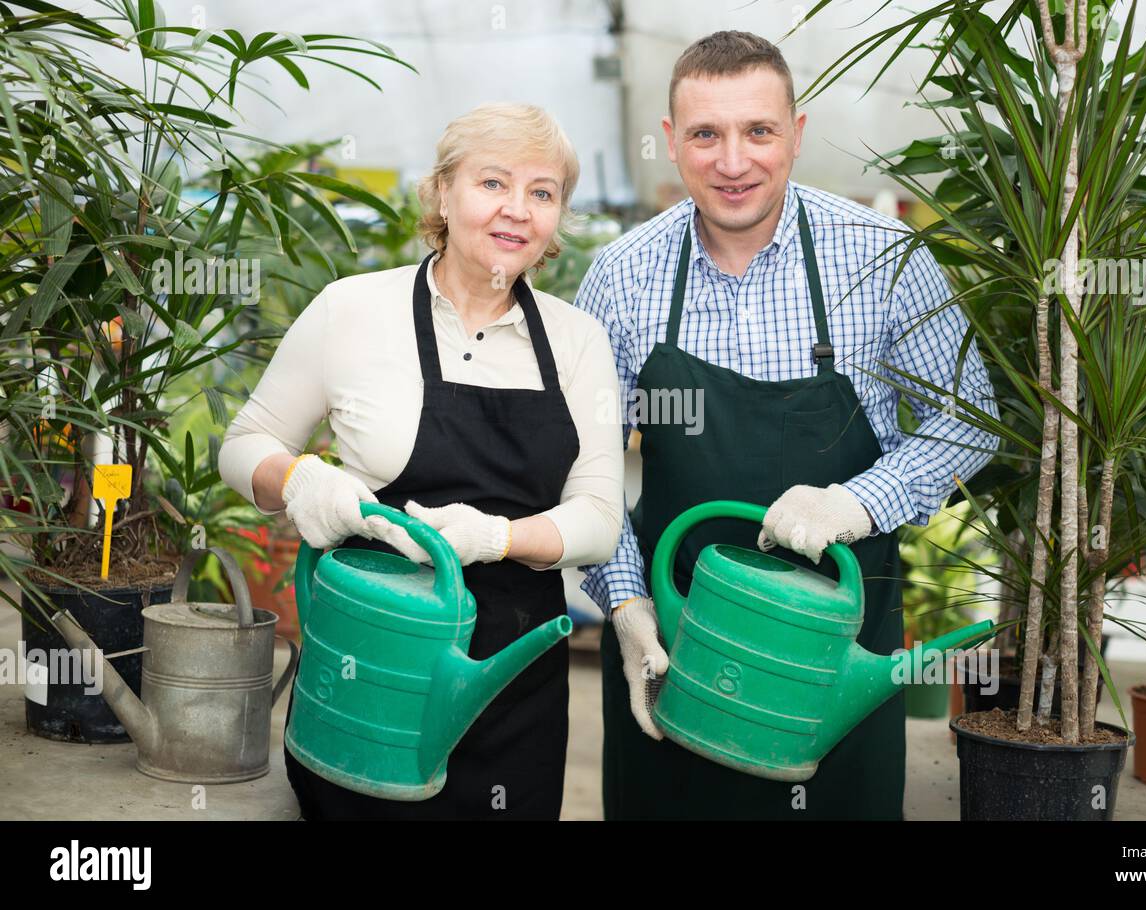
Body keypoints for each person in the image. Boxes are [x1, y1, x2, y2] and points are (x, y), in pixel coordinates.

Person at [573, 31, 1000, 820]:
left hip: (838, 660)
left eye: (758, 132)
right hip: (680, 655)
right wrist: (630, 612)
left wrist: (862, 501)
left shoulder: (885, 256)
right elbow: (585, 470)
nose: (733, 162)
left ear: (796, 133)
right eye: (706, 134)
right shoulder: (622, 276)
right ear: (671, 142)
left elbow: (968, 423)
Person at [218, 102, 624, 820]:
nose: (517, 210)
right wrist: (302, 480)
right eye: (492, 183)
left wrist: (494, 537)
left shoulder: (578, 342)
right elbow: (245, 444)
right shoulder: (352, 311)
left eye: (542, 192)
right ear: (442, 192)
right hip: (369, 665)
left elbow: (598, 522)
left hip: (510, 685)